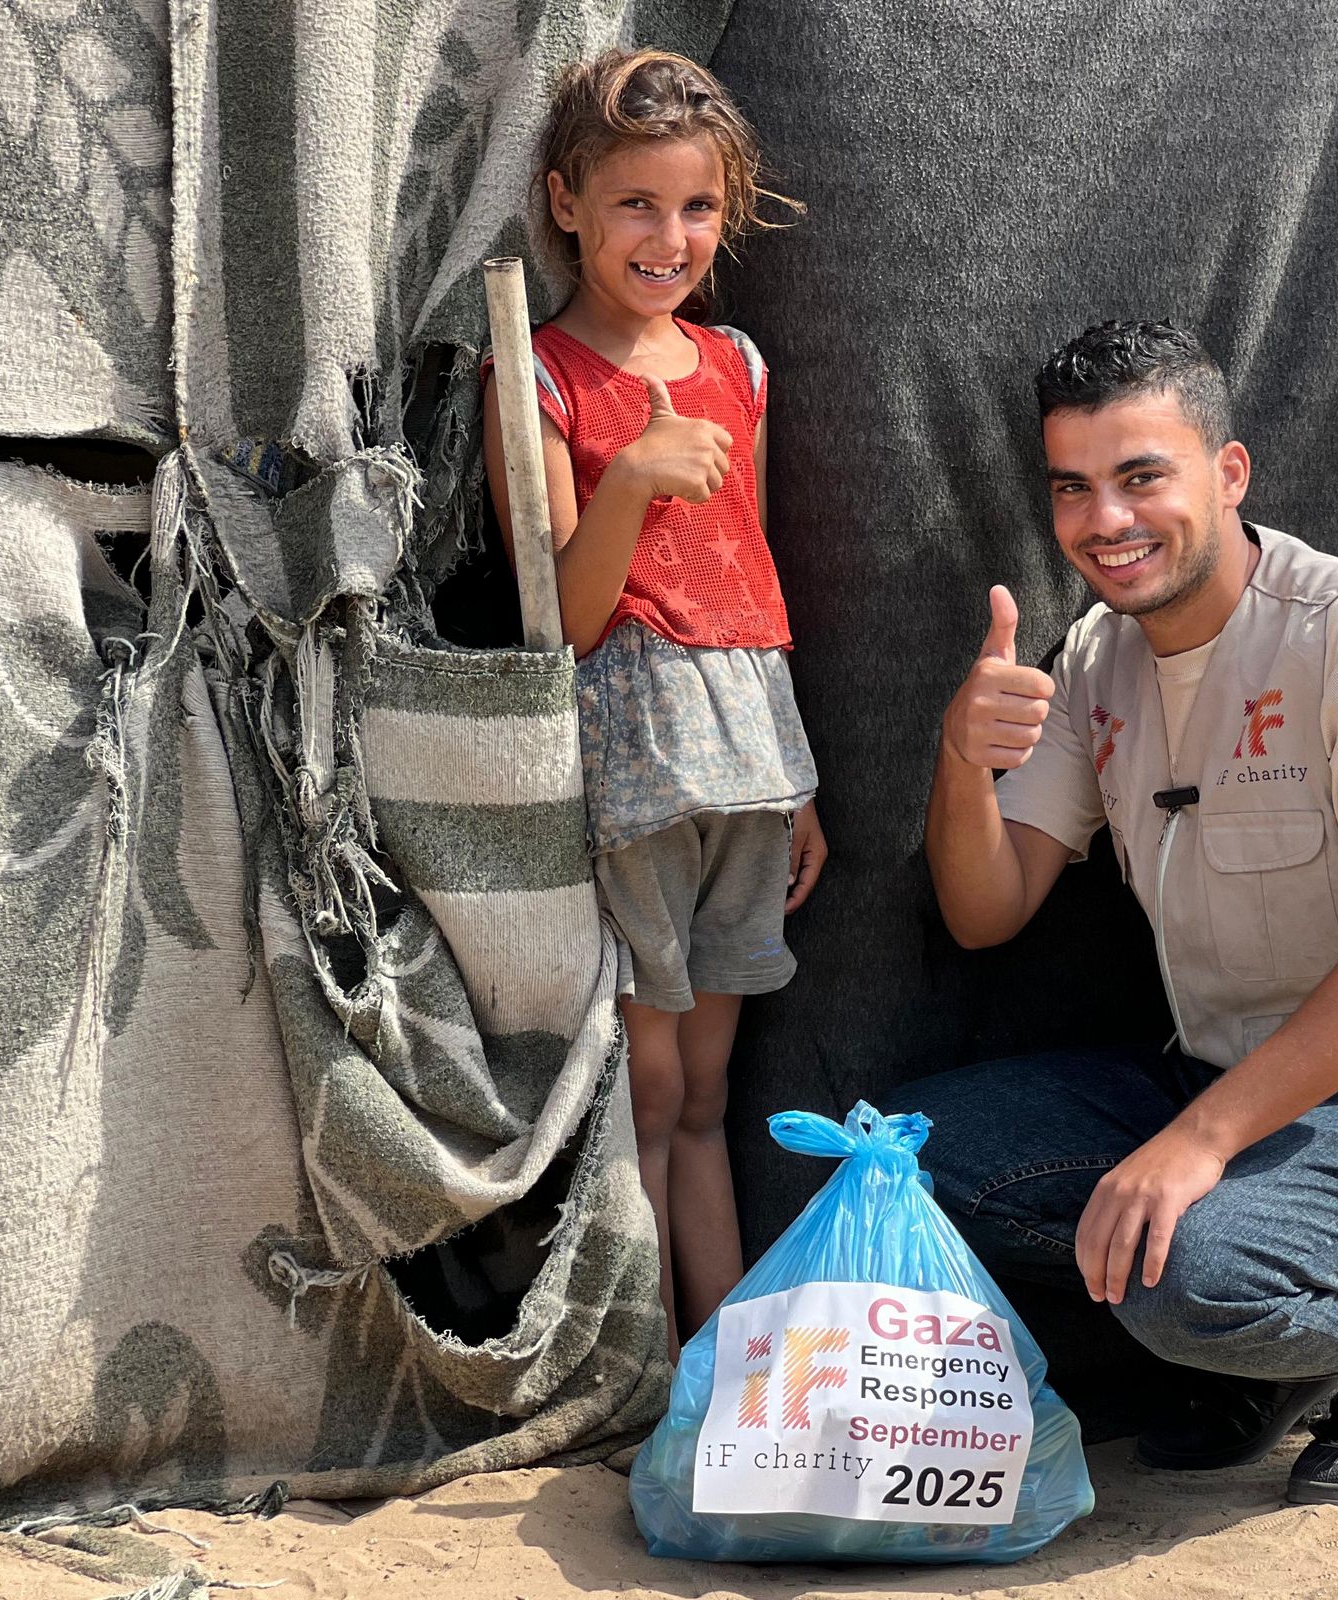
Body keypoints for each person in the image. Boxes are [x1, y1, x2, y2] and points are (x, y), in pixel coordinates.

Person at [909, 320, 1338, 1506]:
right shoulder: (1095, 659)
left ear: (1228, 473)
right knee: (908, 1158)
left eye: (1141, 476)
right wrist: (964, 759)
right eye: (1074, 487)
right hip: (1232, 1093)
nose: (1105, 520)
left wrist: (1198, 1145)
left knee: (1186, 1282)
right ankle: (1276, 1358)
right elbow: (985, 912)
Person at [485, 48, 826, 1346]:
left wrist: (799, 781)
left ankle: (724, 1362)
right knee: (646, 1083)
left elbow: (754, 574)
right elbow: (566, 620)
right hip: (634, 758)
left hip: (752, 756)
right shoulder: (544, 381)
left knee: (707, 1093)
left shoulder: (736, 365)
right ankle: (637, 1364)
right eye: (636, 205)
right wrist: (627, 475)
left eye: (694, 209)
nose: (667, 237)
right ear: (567, 200)